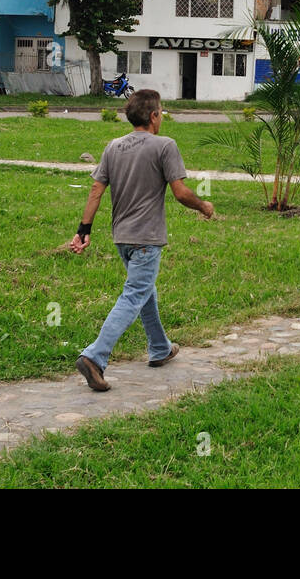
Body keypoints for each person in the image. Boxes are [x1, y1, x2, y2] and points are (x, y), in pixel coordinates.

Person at [70, 89, 214, 391]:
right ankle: (95, 357)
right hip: (146, 238)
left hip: (121, 237)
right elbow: (180, 192)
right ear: (153, 116)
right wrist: (204, 206)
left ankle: (160, 348)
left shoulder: (113, 147)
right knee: (135, 294)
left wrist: (84, 229)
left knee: (145, 291)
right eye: (161, 112)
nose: (161, 117)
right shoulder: (165, 146)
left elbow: (96, 191)